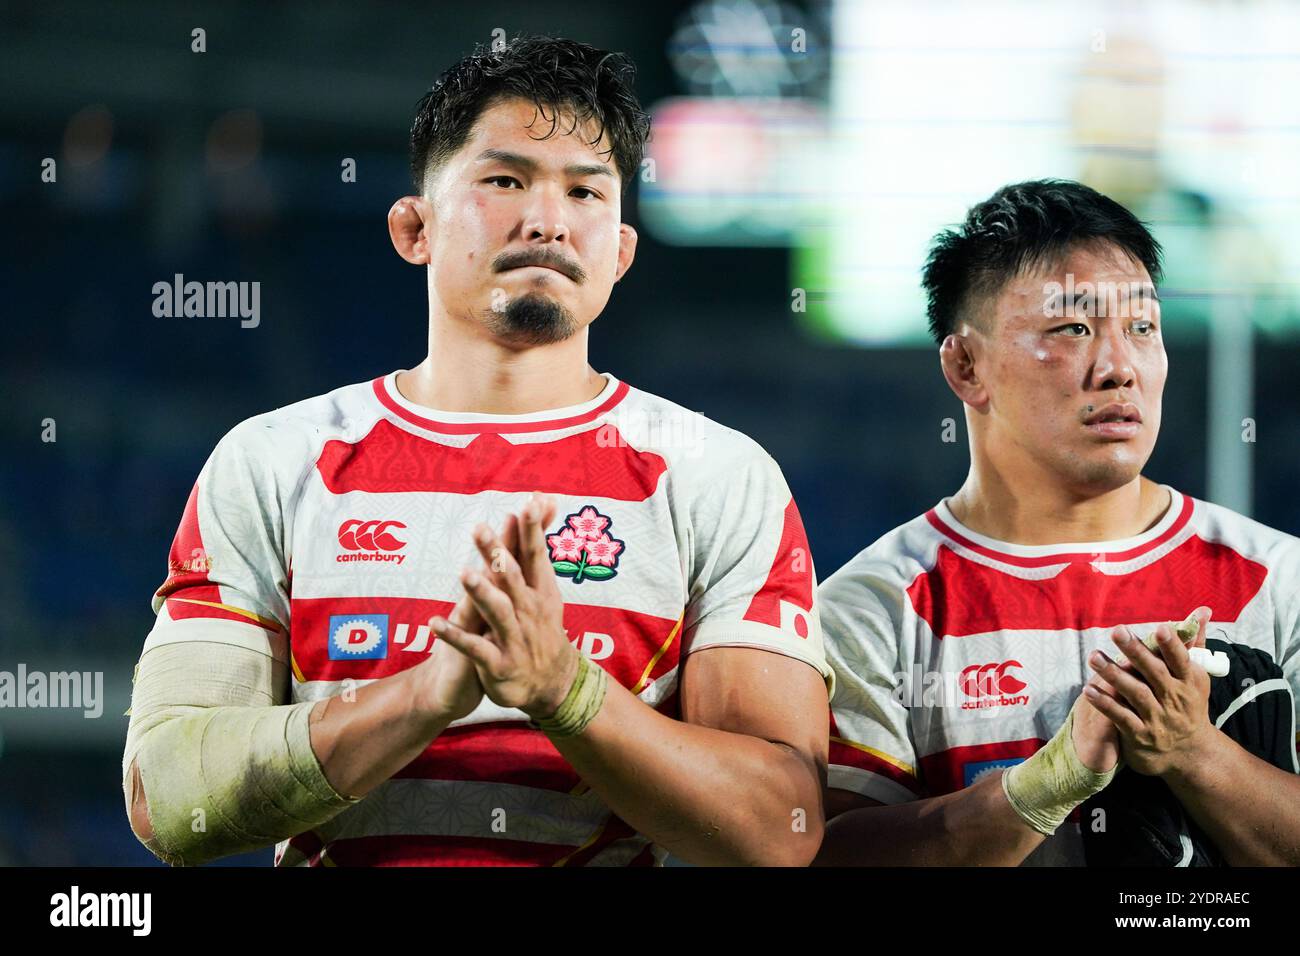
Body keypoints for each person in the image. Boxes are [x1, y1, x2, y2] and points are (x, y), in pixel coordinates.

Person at [122, 35, 830, 867]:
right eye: (505, 180)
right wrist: (424, 696)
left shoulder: (719, 476)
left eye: (586, 192)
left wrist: (563, 690)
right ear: (414, 227)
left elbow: (782, 832)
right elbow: (168, 799)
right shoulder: (274, 461)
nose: (547, 219)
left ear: (622, 252)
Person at [815, 179, 1300, 866]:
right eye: (1072, 329)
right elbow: (831, 856)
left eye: (1141, 328)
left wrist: (1196, 752)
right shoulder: (873, 609)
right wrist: (1042, 788)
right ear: (965, 364)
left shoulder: (1278, 580)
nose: (1119, 368)